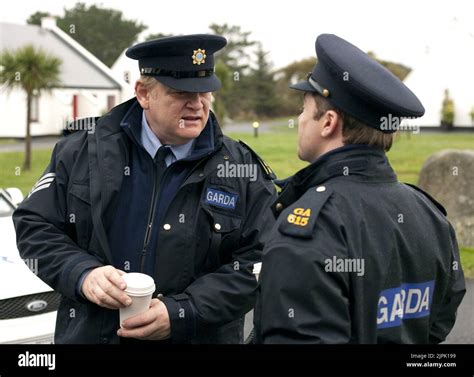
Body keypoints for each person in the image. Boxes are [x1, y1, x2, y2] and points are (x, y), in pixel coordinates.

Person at [13, 34, 277, 344]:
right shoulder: (82, 151)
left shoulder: (240, 169)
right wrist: (82, 274)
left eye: (206, 92)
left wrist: (184, 311)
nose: (197, 104)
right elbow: (35, 225)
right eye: (180, 92)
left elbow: (261, 261)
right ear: (143, 93)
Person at [253, 34, 466, 344]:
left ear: (328, 122)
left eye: (303, 109)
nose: (298, 120)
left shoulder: (311, 228)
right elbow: (438, 322)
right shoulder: (429, 214)